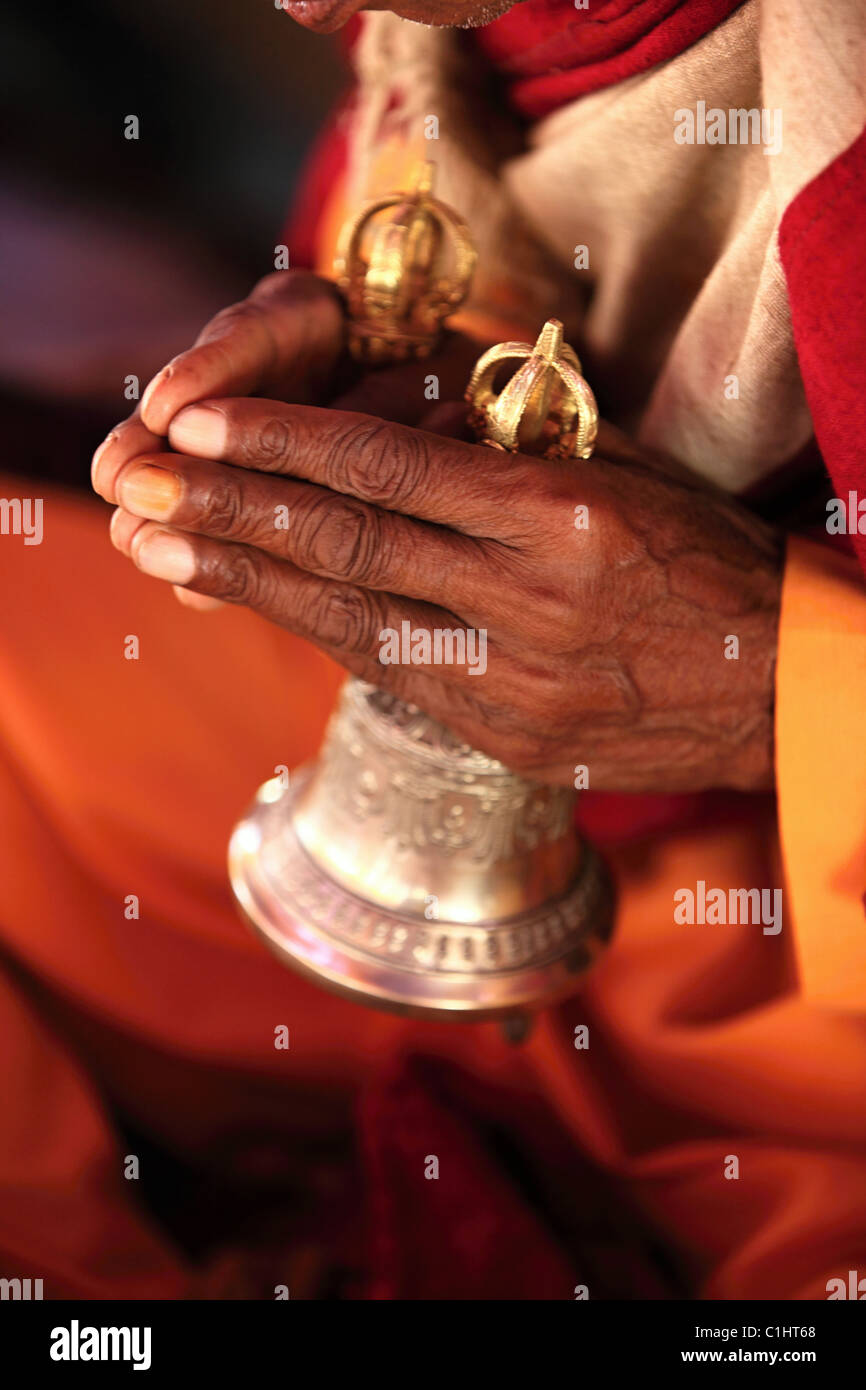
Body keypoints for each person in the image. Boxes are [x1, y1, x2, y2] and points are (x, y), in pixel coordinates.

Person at [2, 0, 865, 1298]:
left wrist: (763, 683)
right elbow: (535, 326)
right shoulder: (464, 43)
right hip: (425, 821)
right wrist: (413, 380)